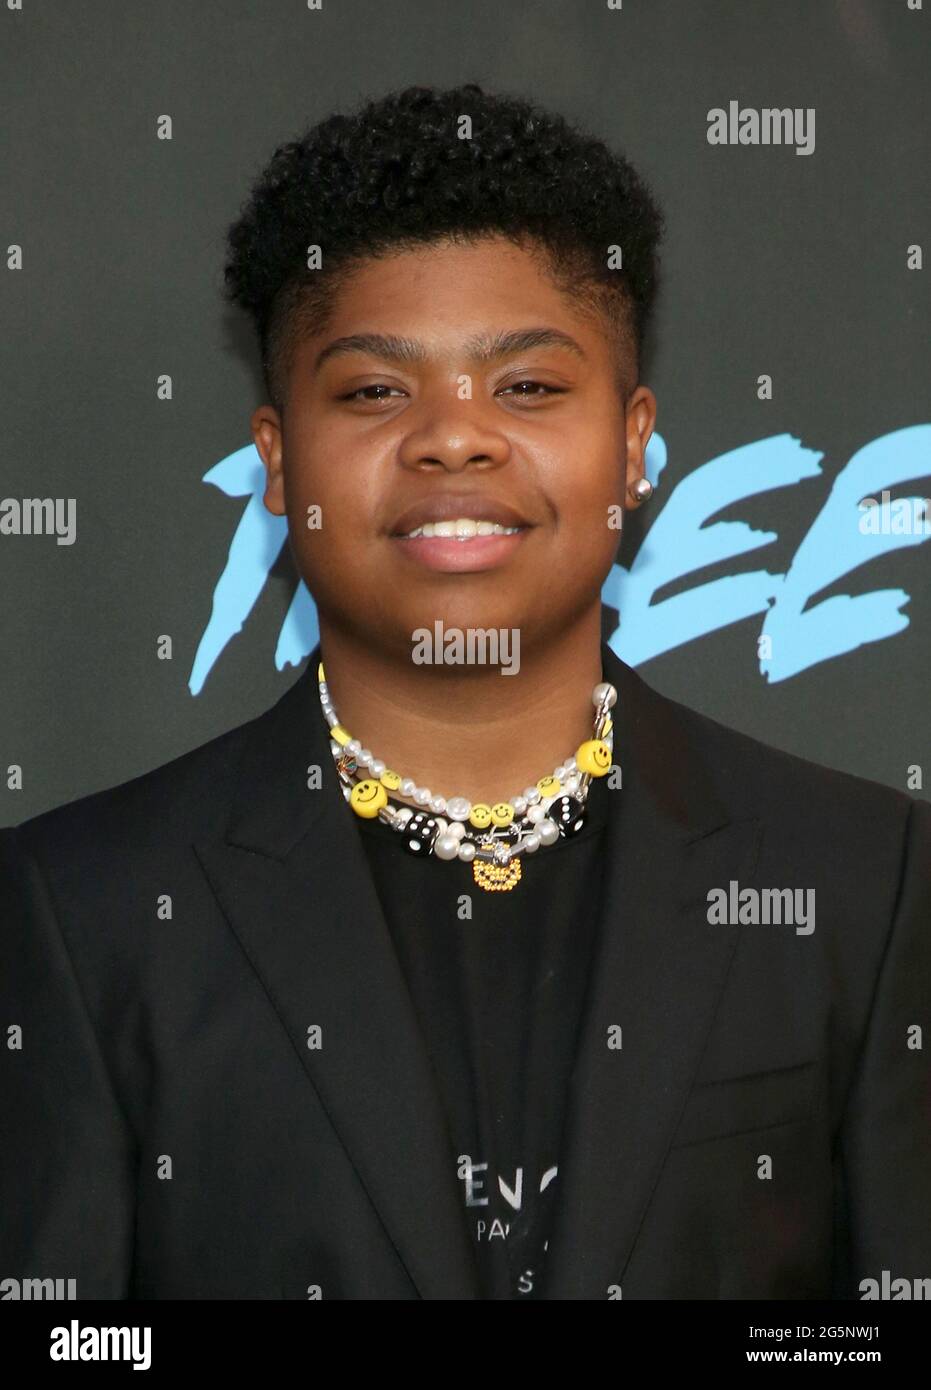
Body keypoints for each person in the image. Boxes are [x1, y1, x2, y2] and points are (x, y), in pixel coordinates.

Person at [2, 84, 929, 1302]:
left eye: (529, 388)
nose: (455, 437)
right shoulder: (85, 911)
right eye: (376, 391)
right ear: (278, 461)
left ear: (635, 446)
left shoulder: (861, 882)